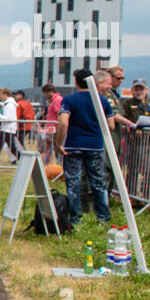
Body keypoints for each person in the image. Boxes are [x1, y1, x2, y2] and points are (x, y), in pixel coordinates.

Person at [55, 68, 113, 227]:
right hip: (95, 146)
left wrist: (59, 143)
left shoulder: (69, 100)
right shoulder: (102, 100)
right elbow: (110, 124)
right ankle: (103, 217)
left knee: (73, 183)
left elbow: (63, 123)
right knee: (99, 183)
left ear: (75, 82)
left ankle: (76, 219)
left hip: (74, 145)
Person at [0, 87, 20, 168]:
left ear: (5, 94)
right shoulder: (8, 104)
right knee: (12, 148)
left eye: (0, 94)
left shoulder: (9, 105)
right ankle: (24, 160)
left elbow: (8, 119)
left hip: (7, 129)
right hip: (7, 129)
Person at [39, 83, 62, 164]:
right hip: (51, 129)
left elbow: (59, 114)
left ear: (50, 92)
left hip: (55, 129)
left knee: (56, 149)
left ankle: (58, 165)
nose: (45, 95)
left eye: (45, 93)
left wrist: (59, 129)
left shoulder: (57, 100)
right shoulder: (53, 101)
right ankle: (46, 164)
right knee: (48, 148)